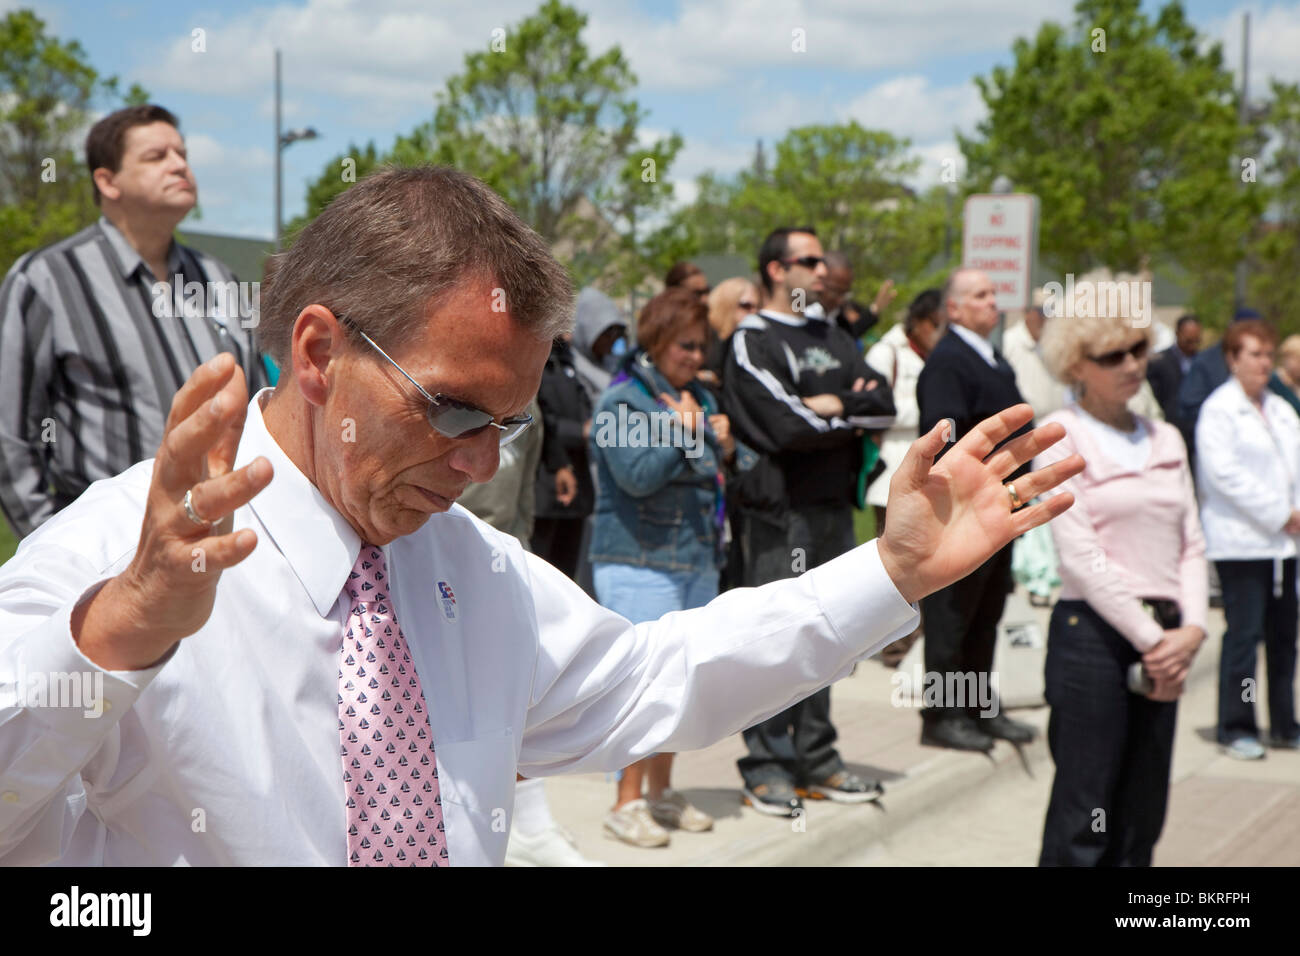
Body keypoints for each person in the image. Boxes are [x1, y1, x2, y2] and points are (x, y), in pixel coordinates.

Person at [0, 166, 1082, 866]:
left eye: (508, 424)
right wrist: (118, 636)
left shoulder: (471, 568)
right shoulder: (116, 559)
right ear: (322, 352)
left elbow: (661, 677)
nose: (477, 462)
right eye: (453, 409)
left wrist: (885, 572)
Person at [0, 104, 267, 539]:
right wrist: (55, 547)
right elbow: (10, 437)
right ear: (107, 181)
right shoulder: (47, 280)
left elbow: (258, 412)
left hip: (222, 545)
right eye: (156, 156)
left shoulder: (220, 280)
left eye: (182, 154)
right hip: (107, 551)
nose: (180, 165)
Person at [723, 226, 897, 816]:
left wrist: (835, 407)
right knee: (777, 638)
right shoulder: (753, 339)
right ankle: (767, 765)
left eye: (824, 261)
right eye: (810, 261)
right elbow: (782, 425)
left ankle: (818, 761)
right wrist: (844, 413)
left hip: (832, 509)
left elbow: (884, 403)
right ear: (777, 270)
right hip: (780, 515)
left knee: (832, 634)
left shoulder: (835, 334)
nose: (823, 271)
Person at [1033, 313, 1207, 866]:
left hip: (1168, 636)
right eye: (1113, 356)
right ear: (1075, 365)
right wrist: (1156, 642)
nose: (1133, 364)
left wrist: (1194, 630)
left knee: (1142, 812)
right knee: (1084, 816)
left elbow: (1192, 545)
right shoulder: (1062, 438)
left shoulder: (1167, 437)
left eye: (1138, 349)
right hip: (1093, 639)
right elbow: (1081, 557)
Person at [588, 287, 756, 847]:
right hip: (639, 563)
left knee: (682, 688)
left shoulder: (694, 399)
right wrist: (682, 432)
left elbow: (718, 472)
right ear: (656, 339)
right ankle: (625, 801)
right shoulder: (622, 401)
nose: (695, 356)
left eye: (701, 346)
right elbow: (635, 476)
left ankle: (660, 794)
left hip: (695, 559)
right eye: (685, 345)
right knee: (643, 688)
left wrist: (724, 447)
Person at [458, 400, 602, 867]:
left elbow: (523, 493)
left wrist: (517, 553)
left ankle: (531, 826)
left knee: (514, 702)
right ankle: (500, 826)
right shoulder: (459, 395)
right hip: (448, 559)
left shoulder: (529, 407)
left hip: (502, 560)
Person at [915, 268, 1038, 752]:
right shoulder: (949, 361)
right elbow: (944, 439)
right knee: (952, 616)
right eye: (980, 295)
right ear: (954, 308)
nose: (993, 301)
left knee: (985, 614)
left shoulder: (991, 358)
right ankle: (942, 716)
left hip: (998, 509)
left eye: (993, 293)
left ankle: (979, 707)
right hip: (962, 513)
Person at [1195, 319, 1300, 760]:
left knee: (1284, 635)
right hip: (1242, 543)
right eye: (1254, 355)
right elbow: (1224, 476)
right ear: (1232, 359)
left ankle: (1282, 721)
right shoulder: (1219, 410)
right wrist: (1281, 514)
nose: (1263, 364)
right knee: (1245, 635)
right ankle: (1236, 723)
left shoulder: (1280, 408)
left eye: (1267, 355)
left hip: (1284, 544)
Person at [865, 289, 945, 666]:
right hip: (892, 471)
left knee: (928, 560)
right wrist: (931, 410)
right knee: (895, 564)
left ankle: (919, 641)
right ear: (918, 321)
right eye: (934, 325)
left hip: (929, 471)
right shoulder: (886, 352)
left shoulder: (937, 355)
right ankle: (893, 646)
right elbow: (871, 409)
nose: (939, 332)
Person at [531, 334, 594, 580]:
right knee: (539, 575)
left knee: (565, 579)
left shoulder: (566, 359)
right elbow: (541, 420)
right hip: (545, 485)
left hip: (577, 486)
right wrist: (560, 464)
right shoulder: (535, 359)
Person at [1002, 303, 1066, 419]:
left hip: (1053, 424)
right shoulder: (1008, 342)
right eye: (1042, 313)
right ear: (1028, 313)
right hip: (1023, 426)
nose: (1045, 320)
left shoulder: (1053, 344)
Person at [819, 250, 895, 342]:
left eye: (844, 293)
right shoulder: (801, 309)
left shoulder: (836, 319)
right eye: (835, 291)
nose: (839, 300)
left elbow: (849, 335)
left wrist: (875, 309)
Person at [1146, 314, 1202, 433]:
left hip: (1196, 429)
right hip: (1169, 427)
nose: (1192, 345)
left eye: (1196, 341)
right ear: (1177, 333)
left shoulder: (1202, 362)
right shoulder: (1159, 362)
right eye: (1189, 341)